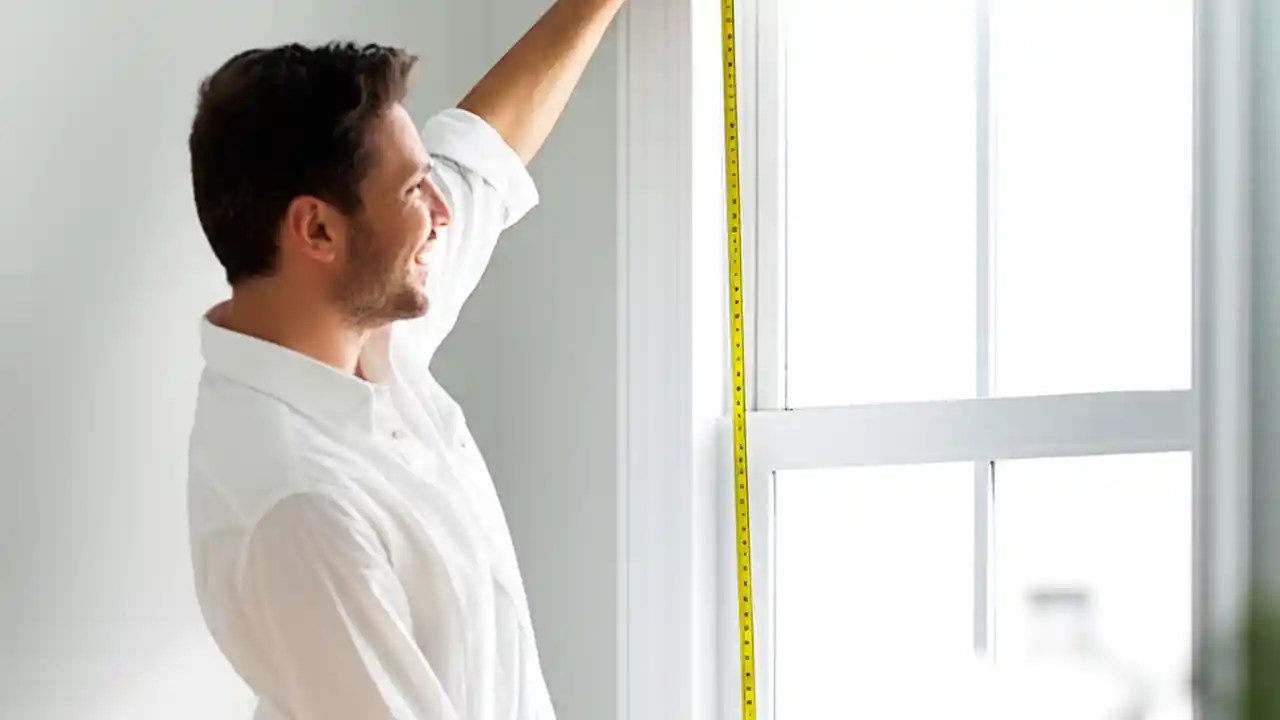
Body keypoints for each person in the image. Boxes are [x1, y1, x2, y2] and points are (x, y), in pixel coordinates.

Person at [185, 1, 625, 717]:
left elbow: (486, 153)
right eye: (414, 190)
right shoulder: (302, 508)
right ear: (318, 229)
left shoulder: (364, 339)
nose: (440, 214)